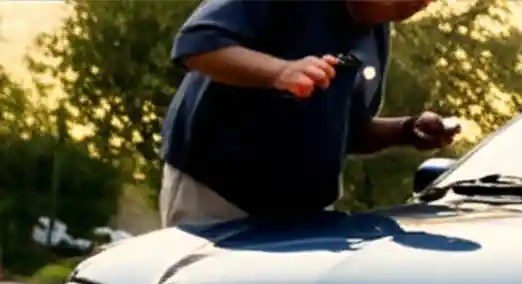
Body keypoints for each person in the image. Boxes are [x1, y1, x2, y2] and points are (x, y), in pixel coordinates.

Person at [159, 0, 460, 227]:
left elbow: (348, 132)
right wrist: (280, 72)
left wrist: (406, 130)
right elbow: (197, 44)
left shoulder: (375, 29)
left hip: (304, 217)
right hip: (218, 195)